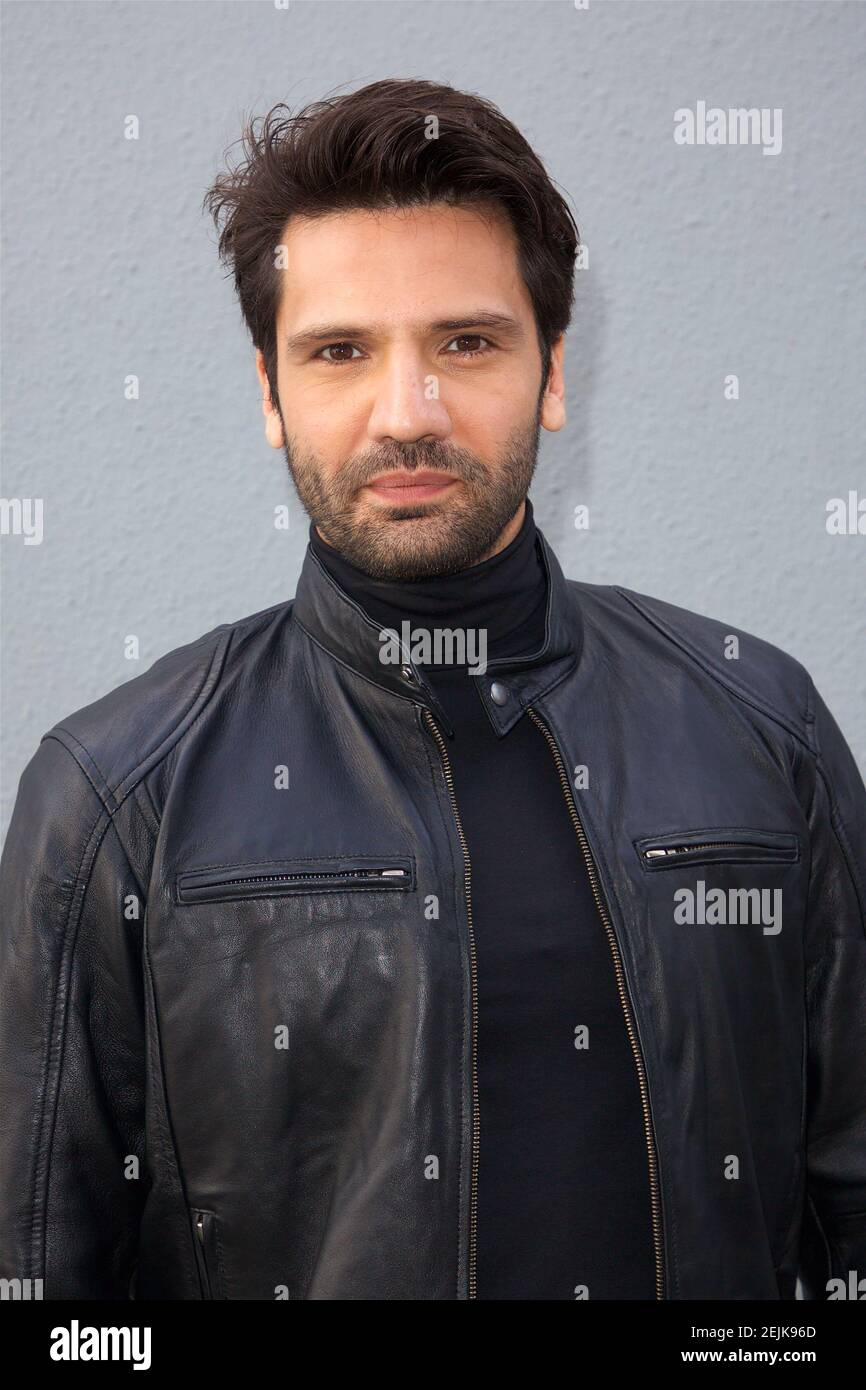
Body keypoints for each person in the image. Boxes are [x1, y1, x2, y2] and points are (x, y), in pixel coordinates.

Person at [1, 78, 864, 1301]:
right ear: (268, 394)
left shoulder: (760, 727)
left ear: (553, 372)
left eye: (465, 342)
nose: (406, 414)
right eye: (340, 351)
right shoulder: (111, 795)